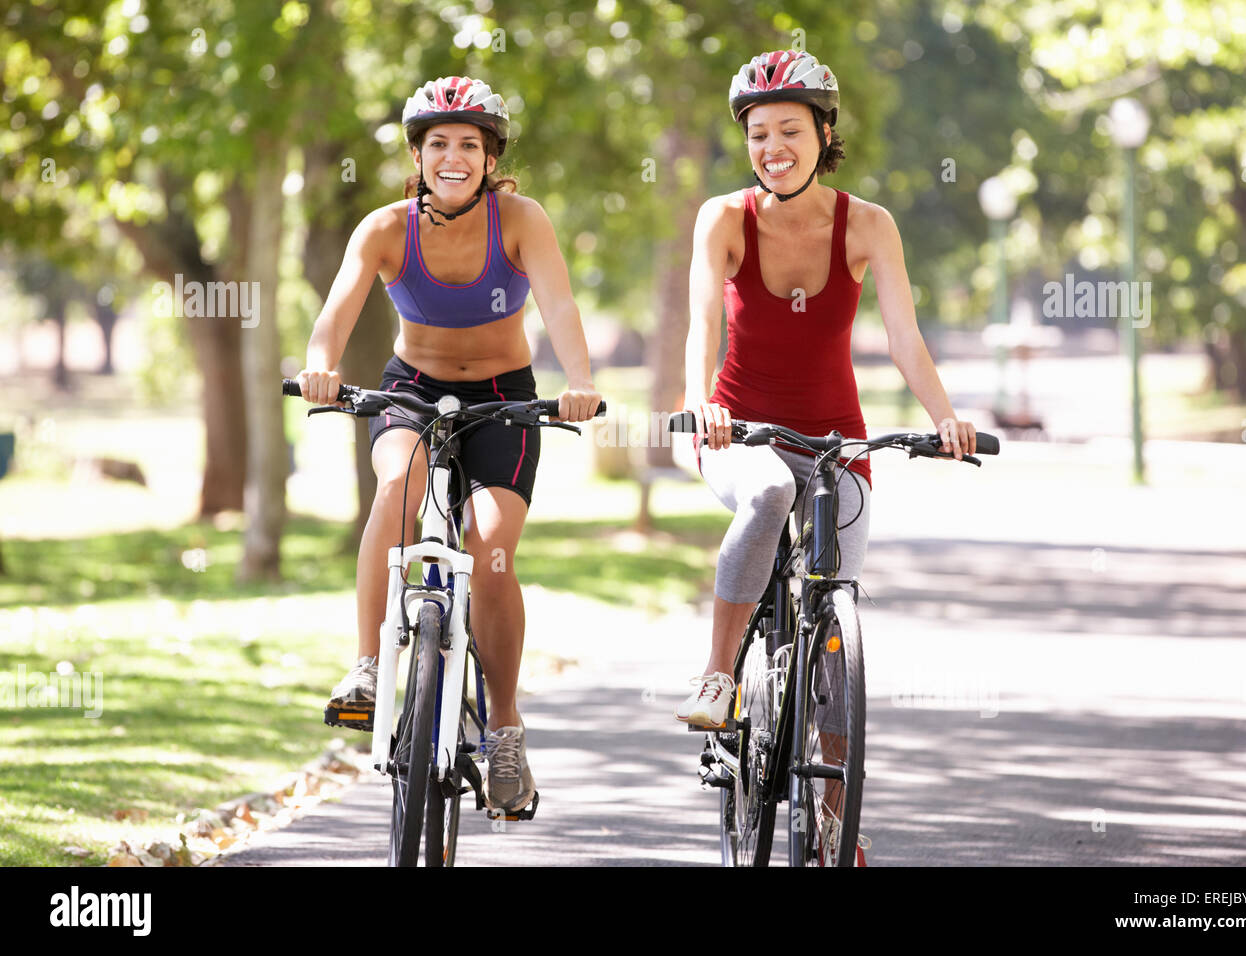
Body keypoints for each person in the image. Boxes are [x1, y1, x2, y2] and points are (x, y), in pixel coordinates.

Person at [296, 76, 601, 814]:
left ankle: (503, 731)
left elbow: (558, 304)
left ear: (491, 158)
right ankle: (369, 669)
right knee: (397, 490)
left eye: (470, 144)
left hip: (504, 398)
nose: (454, 156)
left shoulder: (521, 220)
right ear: (418, 155)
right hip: (411, 391)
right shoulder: (383, 227)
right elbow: (335, 312)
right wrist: (320, 367)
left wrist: (581, 380)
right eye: (439, 144)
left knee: (490, 547)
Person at [677, 50, 977, 728]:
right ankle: (718, 676)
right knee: (769, 491)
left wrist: (946, 419)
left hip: (836, 441)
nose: (772, 148)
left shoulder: (869, 225)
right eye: (758, 135)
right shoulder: (723, 219)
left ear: (823, 135)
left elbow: (905, 339)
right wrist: (702, 402)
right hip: (741, 430)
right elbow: (702, 323)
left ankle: (835, 816)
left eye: (789, 130)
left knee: (835, 617)